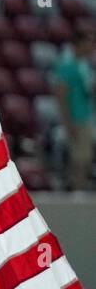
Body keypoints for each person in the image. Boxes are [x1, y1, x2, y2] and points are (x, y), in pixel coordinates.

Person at [51, 27, 93, 191]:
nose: (91, 47)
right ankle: (77, 191)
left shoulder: (82, 64)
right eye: (88, 43)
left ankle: (79, 189)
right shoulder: (67, 64)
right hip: (75, 118)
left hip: (85, 115)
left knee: (84, 158)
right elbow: (61, 95)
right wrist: (68, 122)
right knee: (78, 160)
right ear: (79, 44)